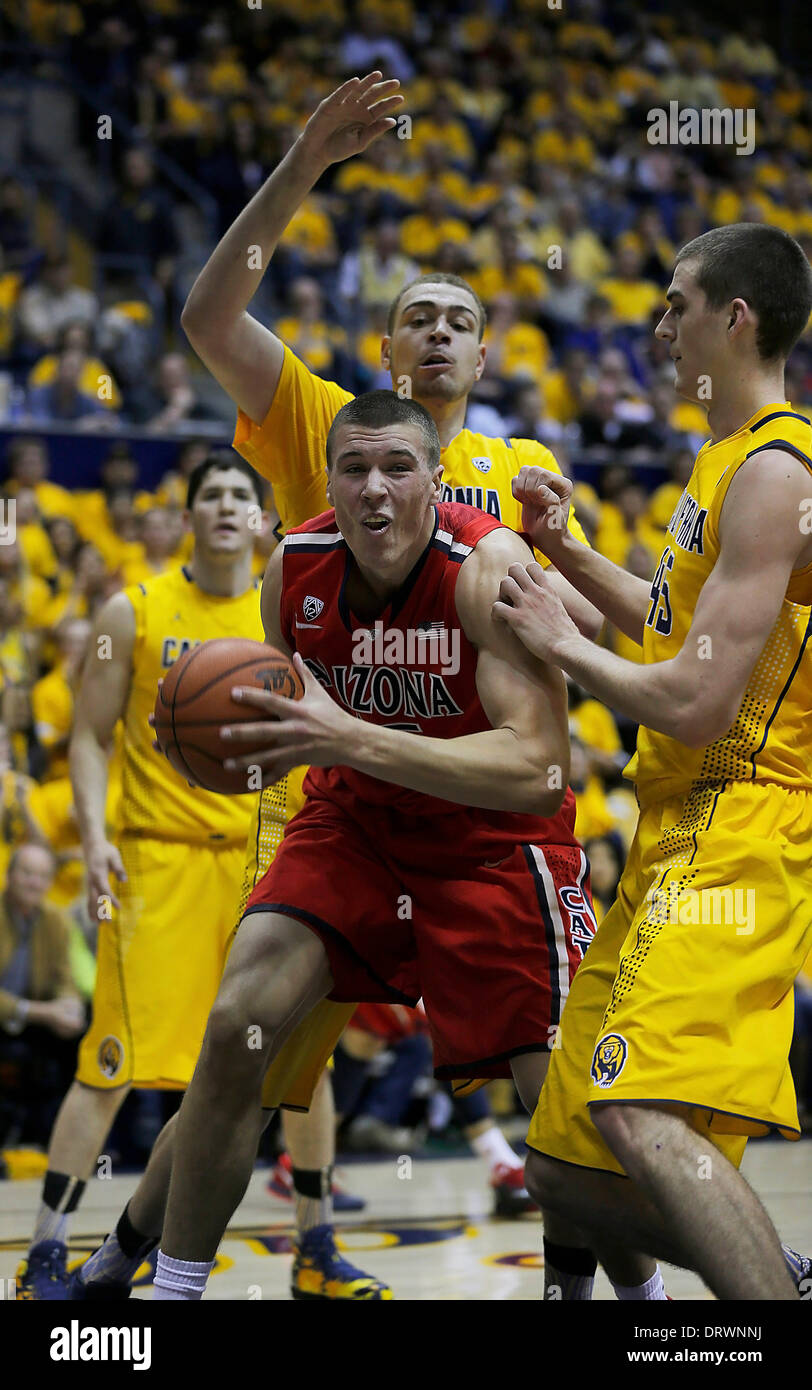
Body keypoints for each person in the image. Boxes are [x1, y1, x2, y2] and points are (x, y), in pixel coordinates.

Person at [180, 71, 603, 1227]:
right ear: (385, 344)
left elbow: (596, 645)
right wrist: (304, 166)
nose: (437, 332)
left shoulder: (525, 477)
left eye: (460, 319)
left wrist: (568, 556)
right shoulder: (335, 425)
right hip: (351, 801)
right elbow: (210, 316)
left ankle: (635, 1264)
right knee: (242, 1064)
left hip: (482, 816)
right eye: (417, 314)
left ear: (484, 354)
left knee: (559, 1087)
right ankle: (137, 1258)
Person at [150, 391, 595, 1301]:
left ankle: (638, 1303)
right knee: (237, 1029)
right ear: (331, 485)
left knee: (567, 1108)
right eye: (353, 469)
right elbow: (275, 722)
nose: (375, 489)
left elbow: (541, 769)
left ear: (437, 480)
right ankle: (170, 1295)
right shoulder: (294, 566)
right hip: (356, 825)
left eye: (398, 468)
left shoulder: (490, 567)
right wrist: (207, 741)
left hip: (491, 839)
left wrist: (346, 736)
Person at [492, 223, 812, 1300]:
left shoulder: (774, 468)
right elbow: (678, 625)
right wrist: (570, 555)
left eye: (675, 303)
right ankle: (771, 1273)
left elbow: (693, 692)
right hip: (670, 830)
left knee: (633, 1107)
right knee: (561, 1162)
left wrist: (558, 642)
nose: (658, 322)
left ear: (734, 319)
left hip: (738, 826)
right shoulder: (720, 461)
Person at [17, 453, 386, 1302]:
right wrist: (97, 831)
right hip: (158, 857)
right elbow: (87, 736)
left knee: (298, 1065)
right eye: (209, 495)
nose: (226, 506)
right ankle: (45, 1249)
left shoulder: (291, 605)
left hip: (272, 855)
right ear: (187, 517)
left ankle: (316, 1246)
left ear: (263, 520)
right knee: (110, 1062)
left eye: (241, 496)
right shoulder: (131, 609)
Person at [0, 845, 85, 1148]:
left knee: (78, 1038)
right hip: (11, 1015)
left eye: (42, 876)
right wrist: (41, 1012)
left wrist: (69, 1004)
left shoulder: (56, 921)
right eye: (26, 873)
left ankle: (59, 1142)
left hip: (33, 1019)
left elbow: (65, 978)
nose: (34, 883)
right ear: (9, 876)